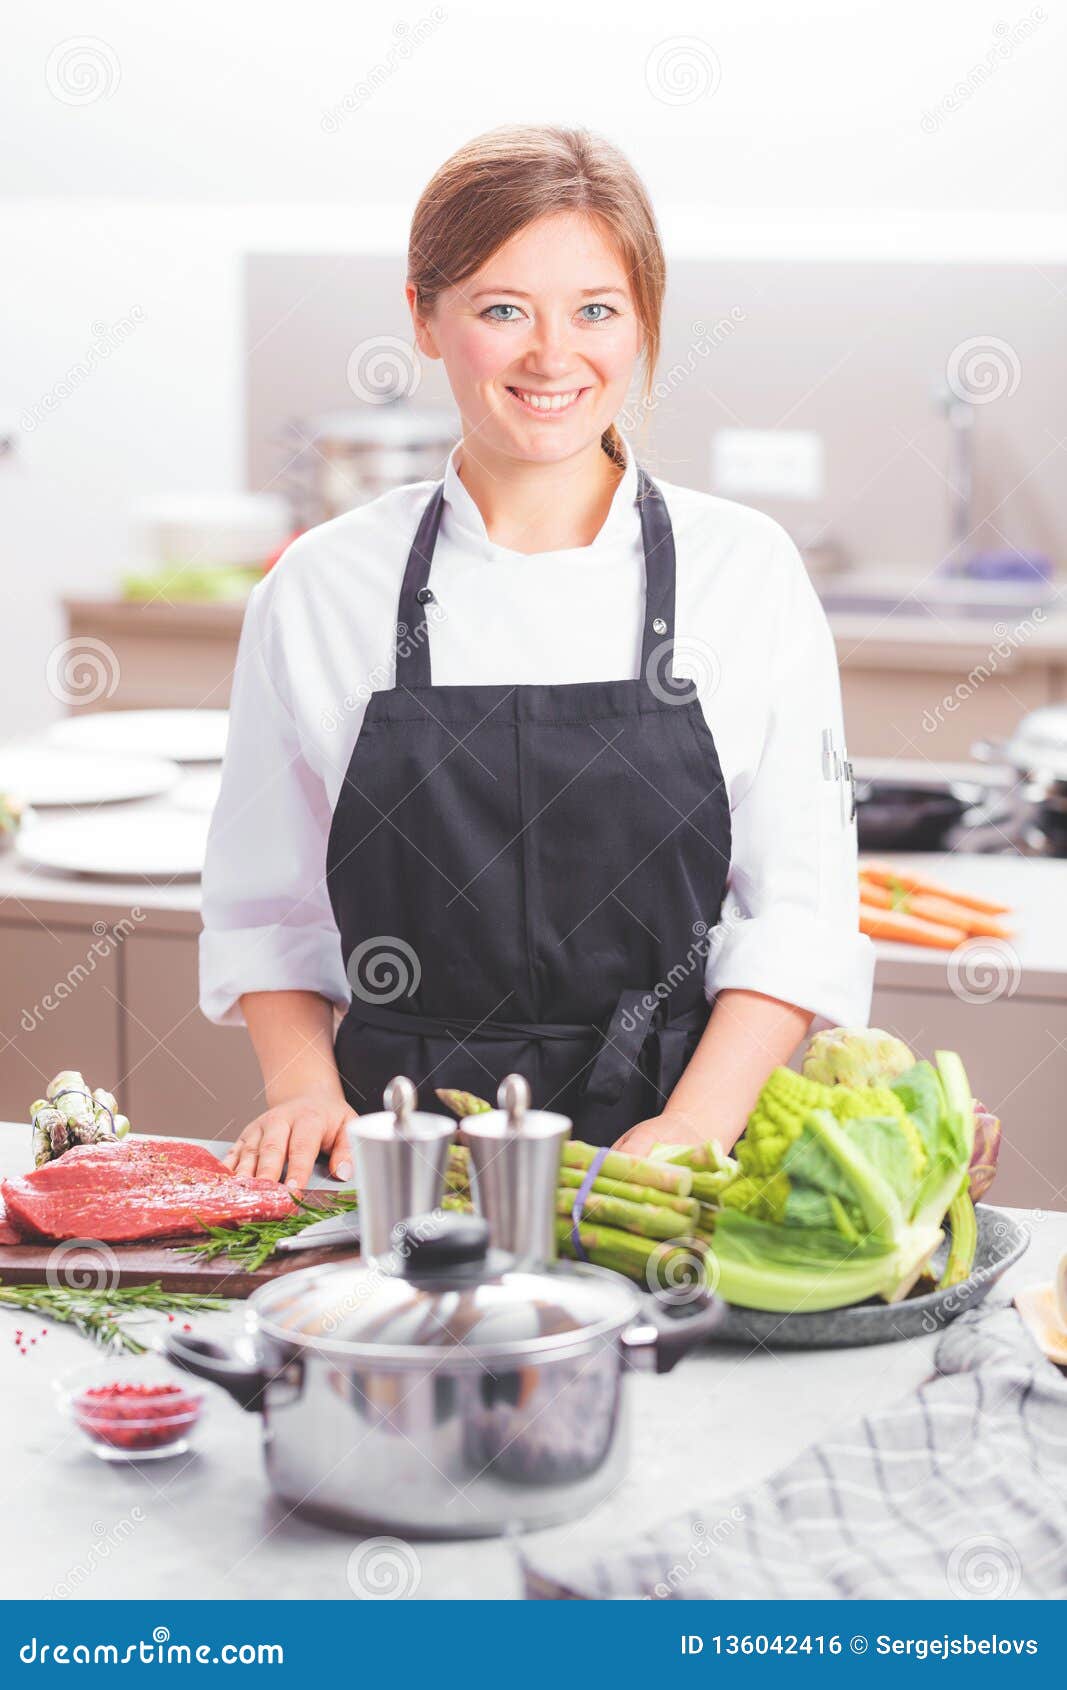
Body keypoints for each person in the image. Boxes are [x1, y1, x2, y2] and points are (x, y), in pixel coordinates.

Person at [200, 124, 872, 1191]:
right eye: (501, 308)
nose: (551, 356)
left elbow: (798, 912)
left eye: (595, 310)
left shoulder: (744, 572)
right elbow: (263, 905)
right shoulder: (321, 586)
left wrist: (692, 1126)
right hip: (394, 1157)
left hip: (669, 1165)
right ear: (422, 316)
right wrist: (302, 1092)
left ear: (642, 321)